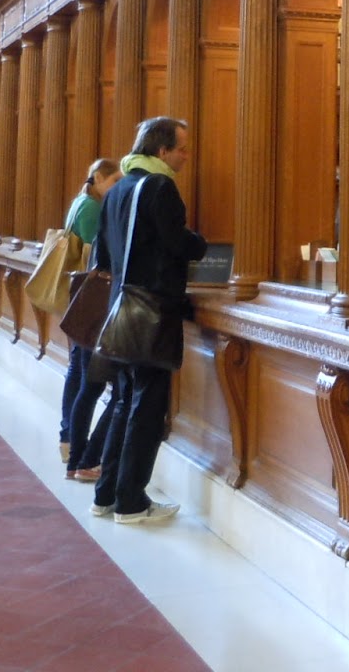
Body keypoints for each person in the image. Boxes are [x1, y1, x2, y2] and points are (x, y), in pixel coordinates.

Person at [89, 116, 206, 524]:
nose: (186, 156)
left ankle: (106, 495)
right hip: (152, 314)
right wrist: (201, 243)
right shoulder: (160, 187)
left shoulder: (119, 187)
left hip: (120, 311)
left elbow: (102, 253)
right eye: (182, 148)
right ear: (162, 151)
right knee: (147, 408)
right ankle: (132, 501)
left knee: (123, 401)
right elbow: (177, 243)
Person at [58, 157, 122, 482]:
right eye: (113, 182)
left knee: (85, 381)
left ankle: (73, 451)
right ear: (98, 178)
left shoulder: (84, 203)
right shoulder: (98, 211)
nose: (117, 189)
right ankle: (83, 457)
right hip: (100, 307)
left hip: (86, 303)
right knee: (99, 385)